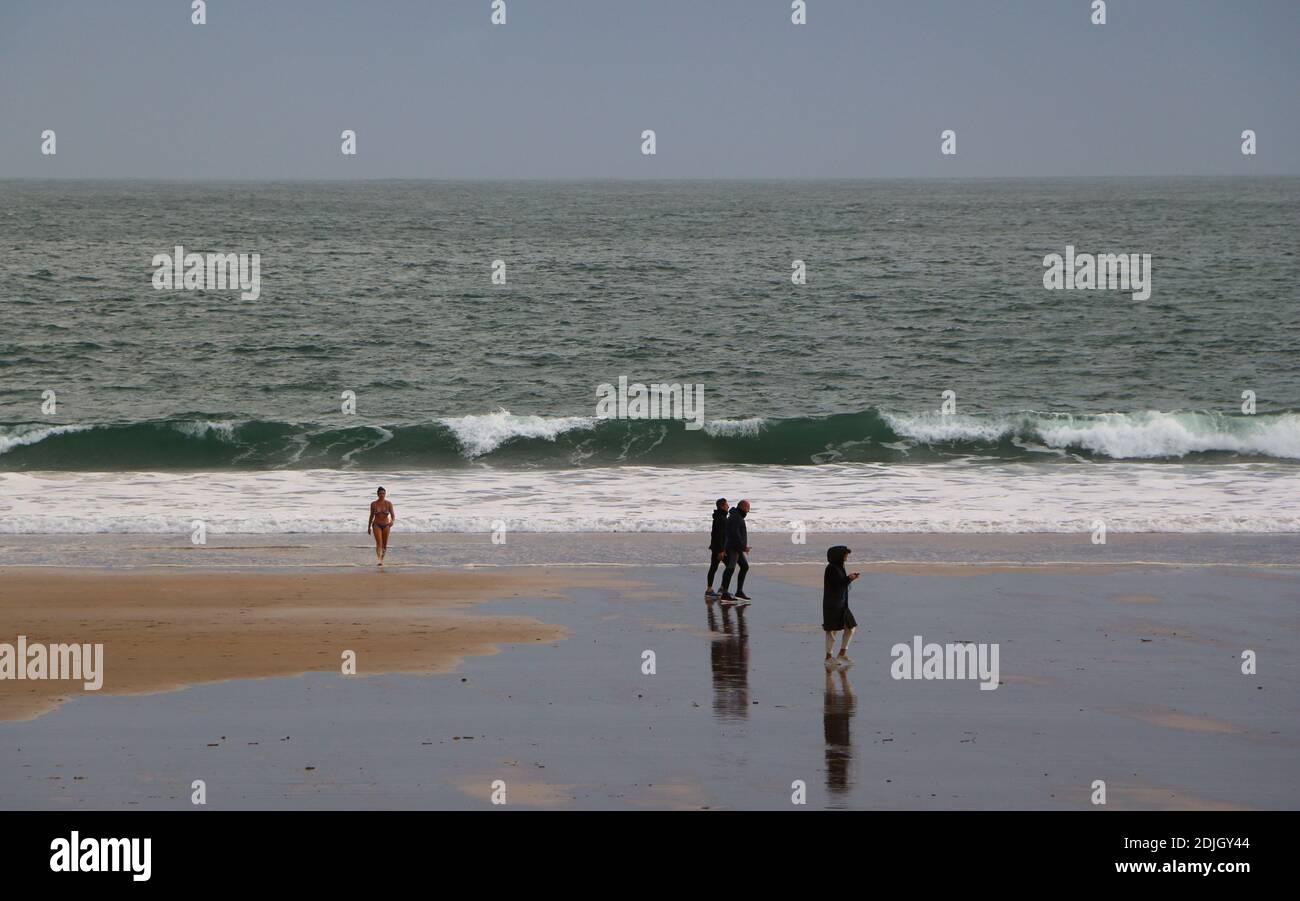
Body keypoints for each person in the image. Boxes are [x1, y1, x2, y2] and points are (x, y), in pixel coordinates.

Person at [823, 545, 859, 665]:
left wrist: (849, 578)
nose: (846, 556)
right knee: (832, 631)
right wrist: (849, 578)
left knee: (851, 628)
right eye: (845, 554)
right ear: (838, 556)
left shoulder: (840, 567)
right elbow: (837, 584)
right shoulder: (831, 568)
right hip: (832, 605)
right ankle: (828, 658)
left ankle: (842, 654)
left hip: (842, 604)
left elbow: (841, 583)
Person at [718, 499, 751, 604]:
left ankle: (739, 592)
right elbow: (734, 534)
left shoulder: (737, 516)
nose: (748, 511)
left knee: (744, 566)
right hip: (733, 547)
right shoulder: (736, 517)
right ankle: (724, 593)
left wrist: (742, 547)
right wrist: (743, 547)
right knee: (730, 568)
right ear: (742, 507)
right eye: (747, 509)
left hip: (737, 547)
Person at [705, 497, 729, 599]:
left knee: (716, 567)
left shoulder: (720, 516)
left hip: (718, 547)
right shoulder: (721, 518)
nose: (728, 506)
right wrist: (721, 551)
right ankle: (713, 590)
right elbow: (719, 536)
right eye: (726, 504)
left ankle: (715, 589)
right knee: (728, 567)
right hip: (719, 549)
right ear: (722, 506)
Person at [367, 486, 395, 566]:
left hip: (386, 525)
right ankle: (379, 560)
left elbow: (393, 515)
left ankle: (382, 560)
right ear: (377, 494)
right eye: (380, 493)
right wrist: (369, 527)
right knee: (379, 543)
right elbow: (371, 516)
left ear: (385, 494)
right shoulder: (373, 504)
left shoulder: (389, 503)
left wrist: (392, 521)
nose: (382, 495)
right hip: (376, 525)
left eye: (383, 493)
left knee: (385, 544)